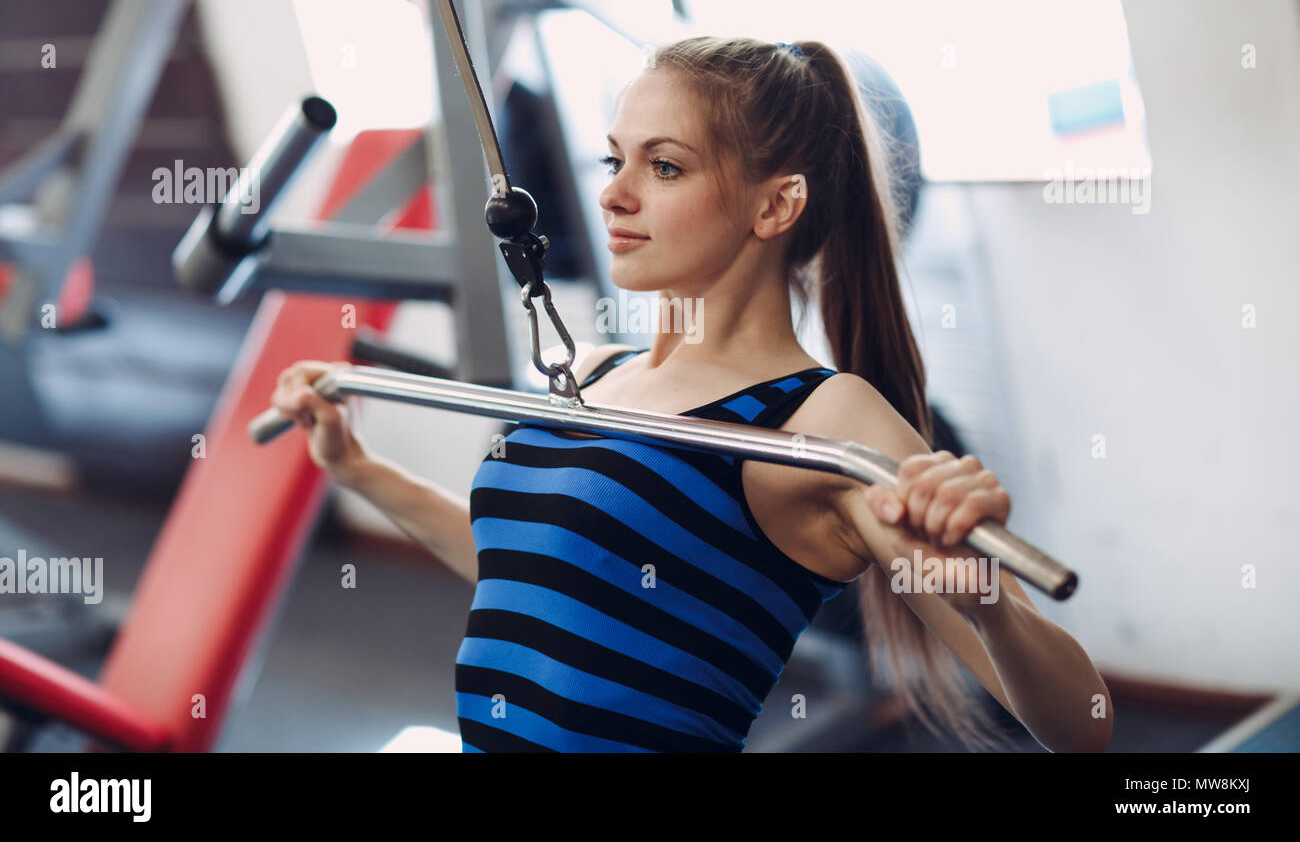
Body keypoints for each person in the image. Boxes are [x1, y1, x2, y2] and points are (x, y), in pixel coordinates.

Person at [271, 36, 1111, 753]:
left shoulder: (821, 420)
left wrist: (991, 604)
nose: (613, 193)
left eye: (663, 166)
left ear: (777, 203)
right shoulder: (595, 369)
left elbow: (1087, 726)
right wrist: (361, 470)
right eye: (616, 158)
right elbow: (535, 572)